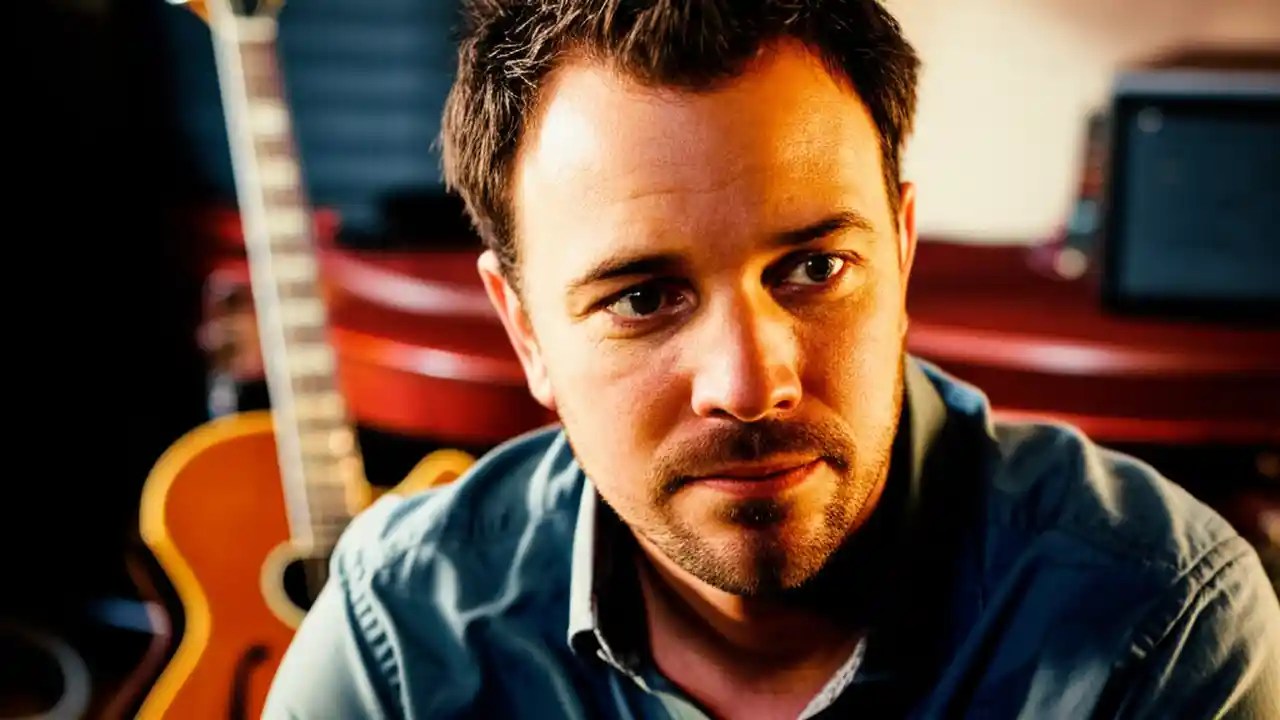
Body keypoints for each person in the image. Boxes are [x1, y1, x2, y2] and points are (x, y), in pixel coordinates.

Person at [263, 1, 1280, 717]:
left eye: (814, 268)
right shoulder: (397, 640)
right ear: (525, 329)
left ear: (901, 253)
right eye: (642, 298)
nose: (749, 385)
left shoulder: (1162, 625)